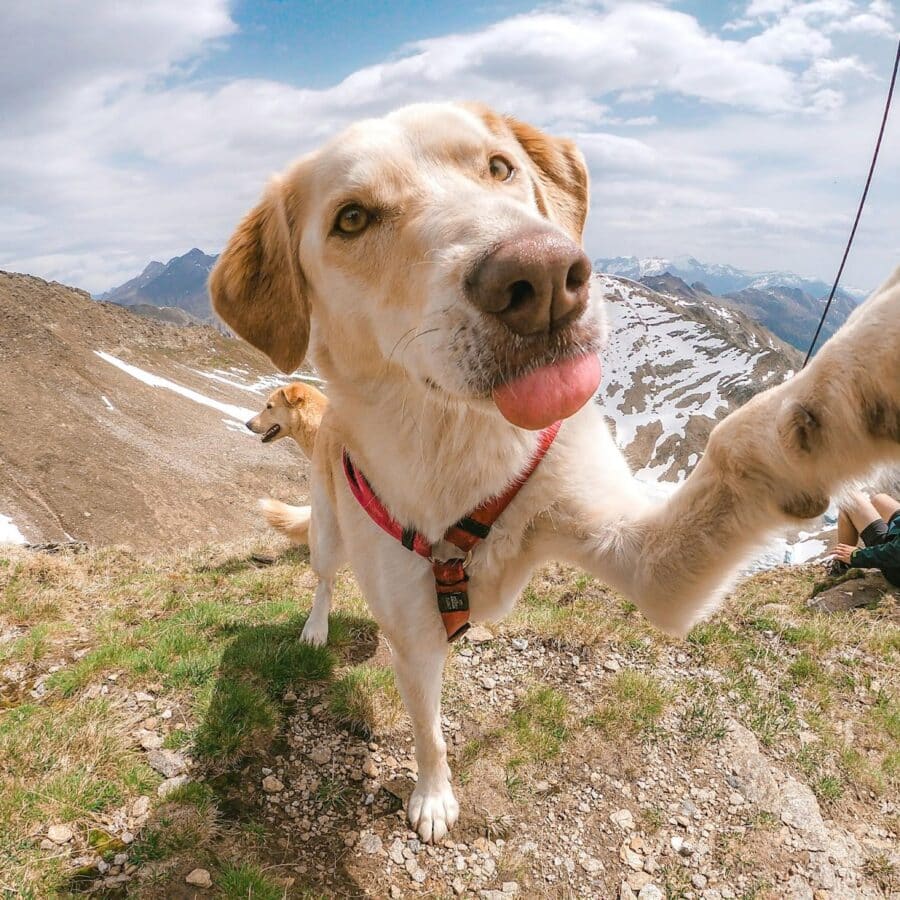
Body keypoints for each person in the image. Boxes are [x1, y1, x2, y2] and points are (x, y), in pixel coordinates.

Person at [831, 489, 900, 586]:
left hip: (895, 566)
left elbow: (896, 553)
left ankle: (843, 563)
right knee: (879, 499)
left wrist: (857, 556)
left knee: (849, 500)